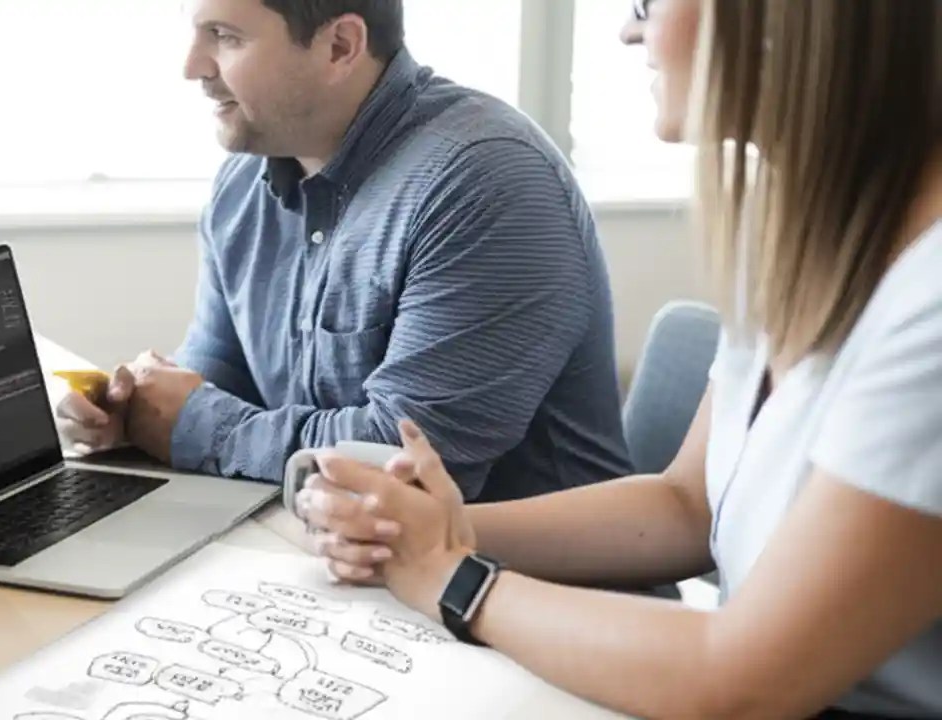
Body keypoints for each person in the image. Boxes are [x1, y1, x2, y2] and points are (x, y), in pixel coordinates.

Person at [300, 0, 942, 717]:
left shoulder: (931, 297)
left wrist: (455, 578)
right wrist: (426, 529)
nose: (629, 29)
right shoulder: (804, 235)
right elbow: (687, 506)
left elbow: (747, 681)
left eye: (649, 1)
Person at [55, 0, 632, 502]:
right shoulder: (242, 184)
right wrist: (132, 414)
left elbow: (405, 467)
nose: (191, 68)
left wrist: (192, 425)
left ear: (340, 46)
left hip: (524, 596)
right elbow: (218, 381)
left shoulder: (486, 180)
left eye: (225, 37)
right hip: (331, 564)